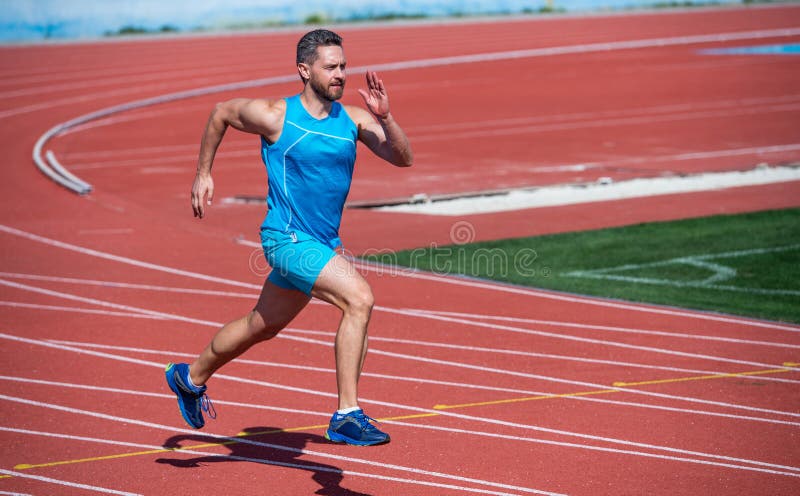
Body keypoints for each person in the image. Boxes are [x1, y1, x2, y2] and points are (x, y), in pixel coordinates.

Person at [165, 28, 413, 446]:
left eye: (343, 66)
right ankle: (346, 414)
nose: (340, 75)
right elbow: (221, 112)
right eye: (331, 67)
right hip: (286, 239)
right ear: (304, 69)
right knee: (360, 298)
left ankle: (189, 378)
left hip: (321, 243)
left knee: (261, 325)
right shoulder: (276, 116)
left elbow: (402, 158)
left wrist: (386, 117)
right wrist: (203, 172)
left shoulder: (353, 119)